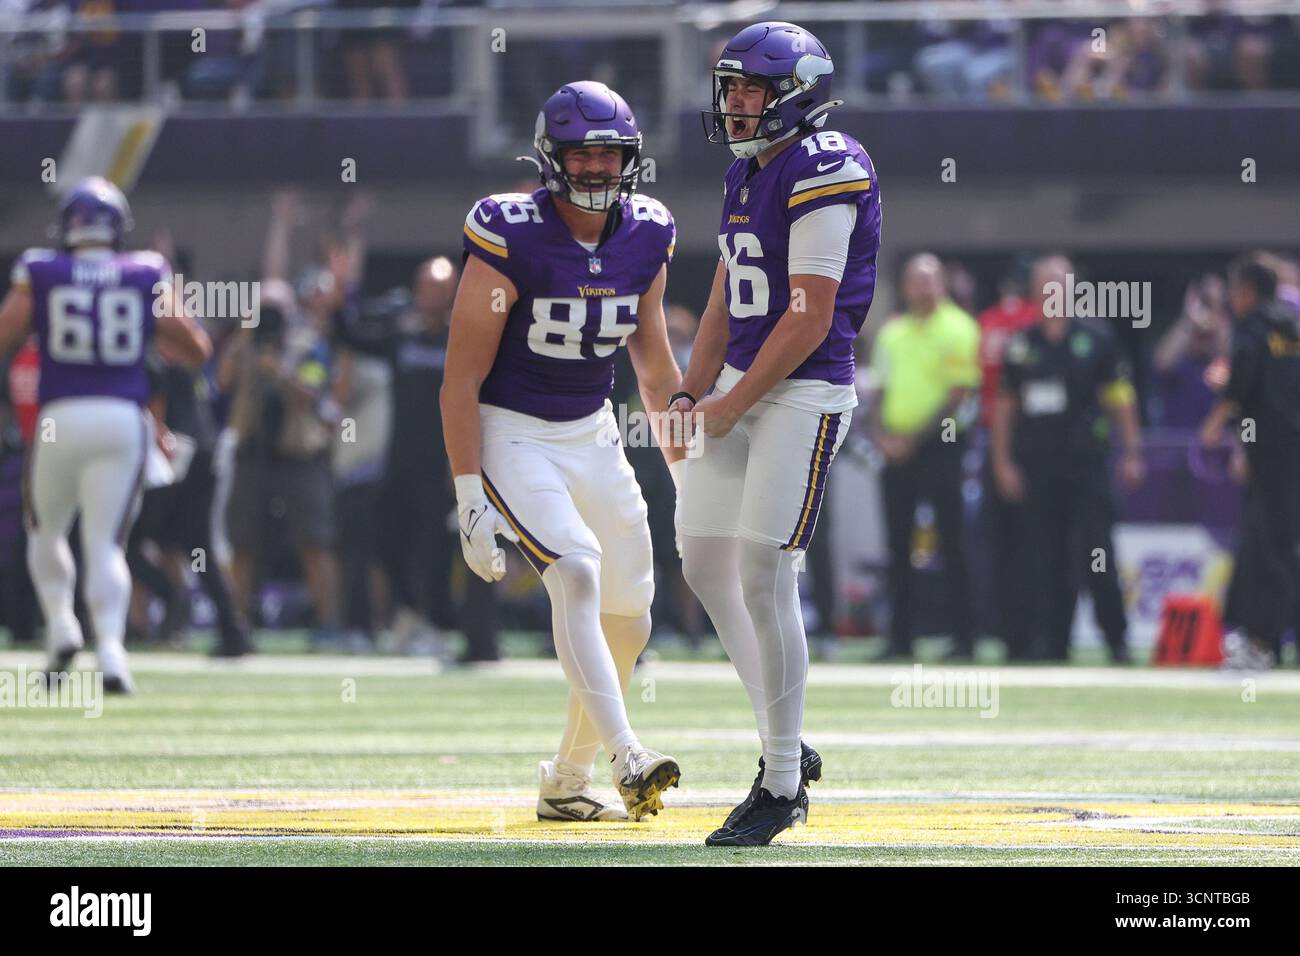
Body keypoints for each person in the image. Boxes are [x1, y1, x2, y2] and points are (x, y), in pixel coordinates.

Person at [441, 81, 686, 822]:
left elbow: (655, 369)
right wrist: (468, 494)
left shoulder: (647, 232)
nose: (598, 169)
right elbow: (461, 378)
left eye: (610, 154)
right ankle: (628, 755)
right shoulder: (508, 230)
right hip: (512, 428)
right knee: (575, 571)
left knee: (630, 616)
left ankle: (566, 781)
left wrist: (690, 462)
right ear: (552, 156)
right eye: (583, 153)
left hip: (594, 432)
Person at [676, 21, 880, 847]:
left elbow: (810, 314)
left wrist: (731, 403)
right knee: (700, 557)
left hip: (803, 392)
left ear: (794, 95)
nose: (732, 103)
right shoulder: (746, 171)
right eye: (727, 88)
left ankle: (784, 781)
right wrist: (697, 384)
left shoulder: (830, 165)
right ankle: (786, 733)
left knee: (765, 571)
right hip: (741, 382)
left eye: (748, 89)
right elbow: (728, 290)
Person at [0, 177, 212, 692]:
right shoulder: (144, 271)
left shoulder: (41, 269)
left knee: (45, 530)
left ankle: (61, 628)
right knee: (107, 543)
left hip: (60, 416)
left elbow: (6, 333)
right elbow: (196, 347)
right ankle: (112, 655)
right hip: (122, 417)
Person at [992, 255, 1145, 663]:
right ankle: (1052, 643)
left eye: (1058, 285)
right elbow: (1005, 407)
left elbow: (1121, 398)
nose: (1051, 293)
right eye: (1044, 285)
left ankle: (1116, 639)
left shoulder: (1097, 337)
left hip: (1087, 465)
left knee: (1097, 552)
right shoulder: (1022, 344)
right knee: (1045, 557)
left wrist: (1132, 452)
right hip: (1038, 467)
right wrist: (1002, 461)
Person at [868, 254, 981, 662]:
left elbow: (959, 394)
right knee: (897, 547)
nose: (923, 288)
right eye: (916, 280)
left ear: (943, 285)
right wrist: (881, 434)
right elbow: (878, 390)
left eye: (930, 280)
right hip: (895, 450)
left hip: (941, 447)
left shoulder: (960, 328)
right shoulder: (891, 333)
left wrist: (912, 439)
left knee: (952, 542)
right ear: (905, 288)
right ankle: (900, 639)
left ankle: (963, 638)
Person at [1200, 253, 1300, 668]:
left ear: (1245, 291)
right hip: (1291, 447)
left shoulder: (1252, 326)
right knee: (1284, 542)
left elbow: (1241, 386)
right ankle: (1272, 639)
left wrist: (1214, 427)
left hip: (1269, 453)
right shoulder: (1292, 326)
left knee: (1267, 546)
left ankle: (1265, 640)